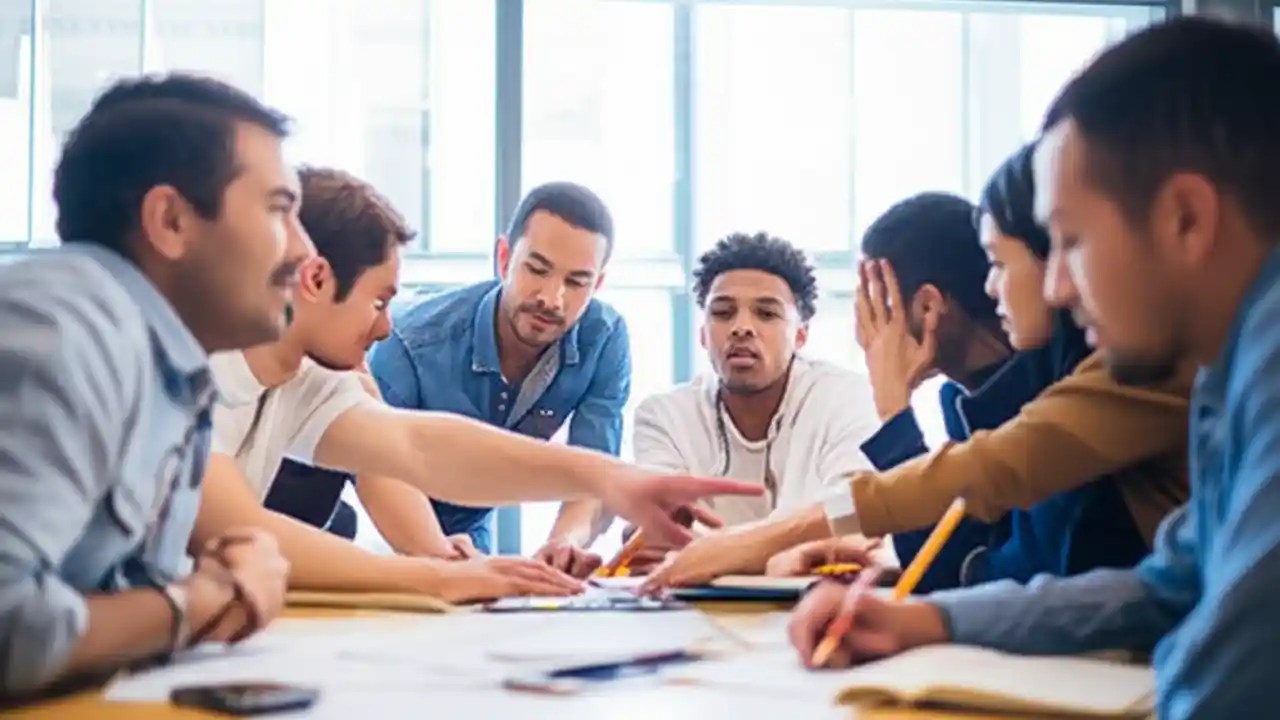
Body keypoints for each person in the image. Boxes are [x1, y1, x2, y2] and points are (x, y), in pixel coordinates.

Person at [788, 17, 1280, 717]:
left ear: (1186, 219)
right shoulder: (1224, 370)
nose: (1058, 287)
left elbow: (1233, 688)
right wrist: (931, 622)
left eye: (1072, 241)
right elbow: (1170, 582)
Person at [644, 141, 1191, 591]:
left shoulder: (1090, 382)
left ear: (927, 306)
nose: (863, 331)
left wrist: (891, 411)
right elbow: (970, 566)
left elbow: (1007, 543)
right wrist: (888, 572)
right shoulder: (980, 402)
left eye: (870, 303)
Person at [196, 167, 759, 602]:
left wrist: (613, 480)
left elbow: (416, 446)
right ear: (316, 279)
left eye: (577, 281)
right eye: (379, 300)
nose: (385, 325)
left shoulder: (310, 378)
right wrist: (429, 574)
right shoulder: (194, 372)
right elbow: (239, 526)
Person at [0, 74, 300, 696]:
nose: (304, 250)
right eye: (279, 210)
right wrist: (198, 601)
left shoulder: (173, 364)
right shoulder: (67, 330)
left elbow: (120, 602)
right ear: (170, 220)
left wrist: (200, 595)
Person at [368, 182, 629, 577]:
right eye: (537, 270)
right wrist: (437, 555)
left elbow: (595, 472)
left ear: (598, 284)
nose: (551, 298)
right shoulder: (405, 340)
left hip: (471, 525)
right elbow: (378, 469)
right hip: (384, 522)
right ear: (504, 258)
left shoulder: (604, 338)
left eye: (577, 282)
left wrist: (565, 542)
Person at [622, 233, 882, 571]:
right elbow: (661, 535)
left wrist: (716, 553)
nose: (742, 327)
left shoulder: (847, 397)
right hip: (695, 608)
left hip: (817, 604)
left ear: (801, 335)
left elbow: (853, 517)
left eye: (766, 314)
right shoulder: (662, 416)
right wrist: (793, 549)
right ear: (703, 334)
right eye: (723, 312)